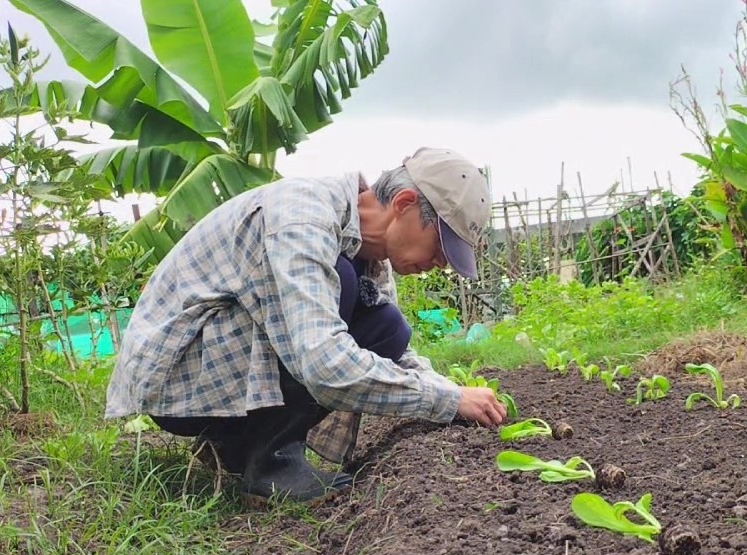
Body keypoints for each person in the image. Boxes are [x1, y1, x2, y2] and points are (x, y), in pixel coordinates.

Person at [104, 147, 508, 503]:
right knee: (344, 286)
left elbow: (396, 353)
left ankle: (235, 446)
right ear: (403, 203)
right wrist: (448, 401)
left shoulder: (369, 257)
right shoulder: (303, 215)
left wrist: (451, 393)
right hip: (178, 376)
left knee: (387, 325)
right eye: (440, 246)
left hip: (220, 364)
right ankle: (269, 462)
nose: (440, 263)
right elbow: (323, 363)